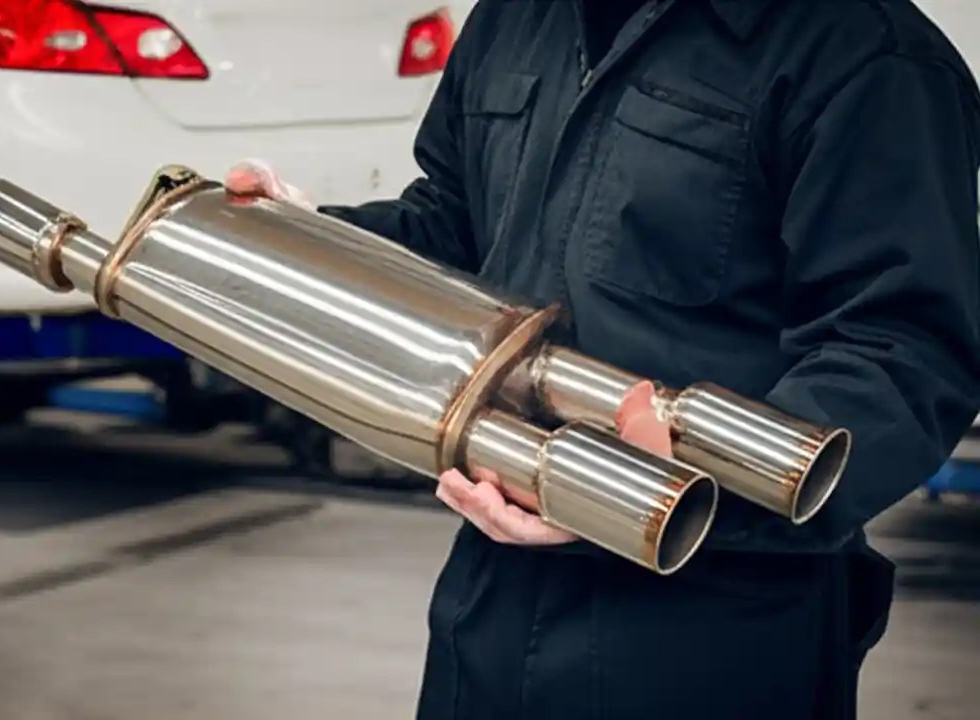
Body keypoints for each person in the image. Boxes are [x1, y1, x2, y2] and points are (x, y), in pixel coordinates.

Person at [226, 0, 980, 717]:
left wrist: (659, 487)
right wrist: (307, 240)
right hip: (493, 597)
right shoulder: (518, 19)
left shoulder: (863, 55)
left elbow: (902, 354)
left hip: (716, 626)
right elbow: (452, 229)